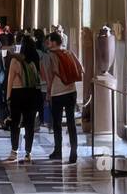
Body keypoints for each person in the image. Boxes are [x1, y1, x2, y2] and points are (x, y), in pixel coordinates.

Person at [42, 30, 82, 164]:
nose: (48, 44)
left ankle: (58, 151)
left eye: (49, 41)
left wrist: (48, 91)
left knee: (57, 124)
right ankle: (73, 152)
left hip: (57, 93)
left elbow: (49, 76)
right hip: (71, 91)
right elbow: (81, 68)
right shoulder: (69, 52)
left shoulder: (50, 56)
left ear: (53, 42)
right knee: (71, 123)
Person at [5, 34, 44, 163]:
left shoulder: (15, 60)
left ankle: (14, 151)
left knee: (15, 123)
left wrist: (8, 97)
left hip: (17, 93)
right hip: (32, 93)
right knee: (29, 124)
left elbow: (10, 79)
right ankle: (28, 153)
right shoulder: (35, 60)